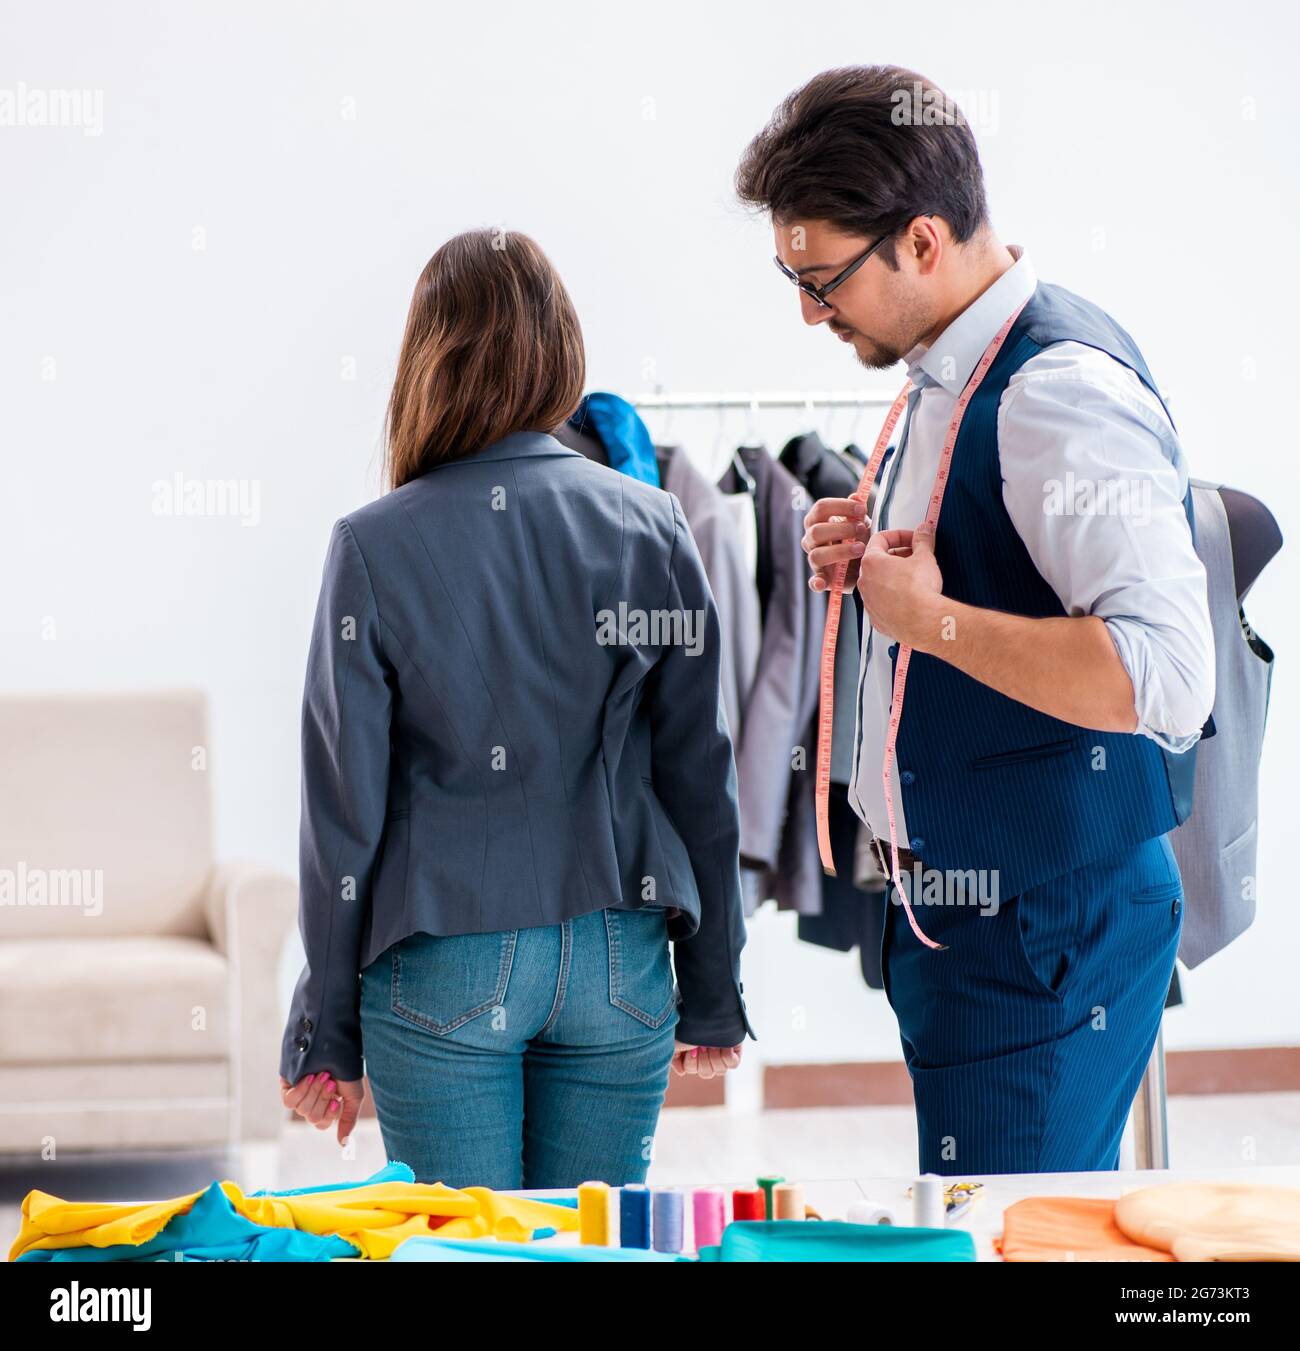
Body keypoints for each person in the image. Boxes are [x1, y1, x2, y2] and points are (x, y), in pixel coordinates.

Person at [736, 66, 1214, 1174]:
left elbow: (1165, 679)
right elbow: (986, 566)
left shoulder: (1056, 391)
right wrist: (871, 548)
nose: (807, 310)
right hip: (967, 925)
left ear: (919, 240)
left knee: (1018, 1244)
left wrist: (935, 622)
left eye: (821, 279)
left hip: (1042, 935)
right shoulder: (945, 369)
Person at [278, 229, 752, 1189]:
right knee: (595, 1256)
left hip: (446, 961)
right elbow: (702, 774)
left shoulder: (373, 546)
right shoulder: (652, 523)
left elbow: (344, 815)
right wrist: (714, 991)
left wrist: (324, 1029)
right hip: (620, 965)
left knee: (466, 1259)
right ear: (561, 354)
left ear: (427, 365)